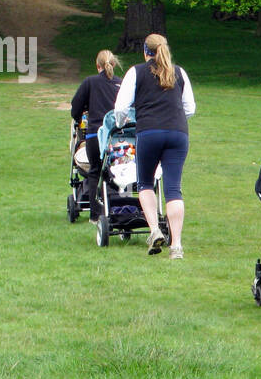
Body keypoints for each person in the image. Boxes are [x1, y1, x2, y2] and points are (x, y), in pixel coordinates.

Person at [113, 33, 194, 258]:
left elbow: (120, 107)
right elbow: (190, 108)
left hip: (149, 131)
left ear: (145, 52)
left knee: (146, 183)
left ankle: (155, 230)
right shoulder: (180, 73)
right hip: (178, 133)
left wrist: (122, 123)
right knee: (173, 189)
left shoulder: (136, 72)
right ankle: (176, 245)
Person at [70, 51, 122, 222]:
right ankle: (116, 208)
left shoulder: (90, 82)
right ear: (113, 64)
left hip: (95, 134)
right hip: (116, 136)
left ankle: (95, 214)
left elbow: (75, 106)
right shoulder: (120, 84)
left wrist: (79, 117)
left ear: (97, 65)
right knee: (116, 171)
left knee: (94, 172)